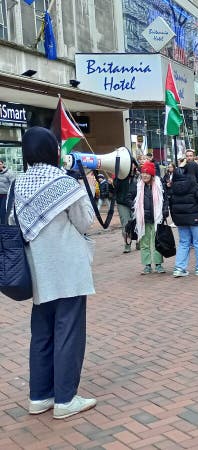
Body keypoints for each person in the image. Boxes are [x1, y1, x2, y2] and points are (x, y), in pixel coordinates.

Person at [14, 127, 97, 419]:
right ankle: (65, 399)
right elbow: (85, 221)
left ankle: (40, 396)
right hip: (68, 270)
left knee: (42, 334)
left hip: (37, 271)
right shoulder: (64, 182)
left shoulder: (17, 184)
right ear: (52, 149)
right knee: (69, 333)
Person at [170, 162, 198, 277]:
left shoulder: (174, 185)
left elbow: (171, 203)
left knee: (184, 242)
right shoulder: (196, 185)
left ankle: (179, 268)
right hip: (195, 218)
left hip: (180, 219)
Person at [130, 161, 168, 274]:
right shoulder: (137, 185)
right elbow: (129, 197)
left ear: (152, 174)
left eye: (147, 173)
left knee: (157, 241)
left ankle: (158, 264)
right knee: (144, 243)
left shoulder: (159, 184)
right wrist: (134, 207)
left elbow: (165, 199)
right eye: (143, 173)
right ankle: (147, 265)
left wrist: (165, 209)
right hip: (143, 219)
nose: (144, 175)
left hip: (157, 218)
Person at [114, 167, 135, 253]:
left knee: (137, 223)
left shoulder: (138, 175)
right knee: (126, 224)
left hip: (135, 202)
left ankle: (139, 240)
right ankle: (127, 244)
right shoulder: (120, 176)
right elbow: (115, 190)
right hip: (122, 202)